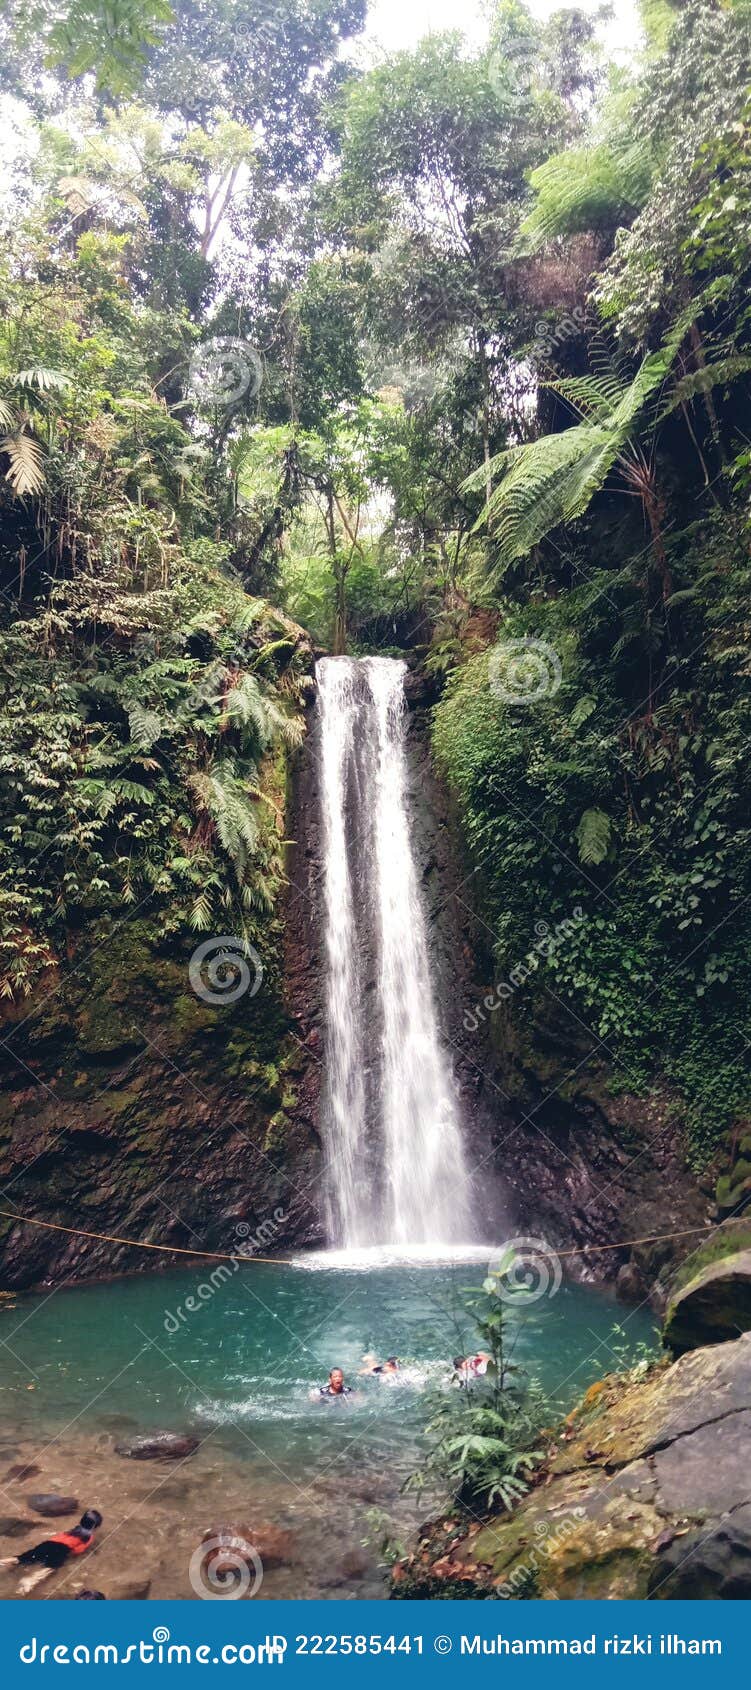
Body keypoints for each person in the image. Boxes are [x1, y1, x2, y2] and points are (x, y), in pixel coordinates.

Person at [0, 1508, 103, 1596]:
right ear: (95, 1527)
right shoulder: (88, 1537)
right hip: (61, 1549)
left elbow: (59, 1537)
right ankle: (30, 1581)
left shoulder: (74, 1529)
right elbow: (77, 1551)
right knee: (50, 1568)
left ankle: (3, 1561)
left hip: (48, 1544)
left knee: (23, 1558)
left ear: (81, 1521)